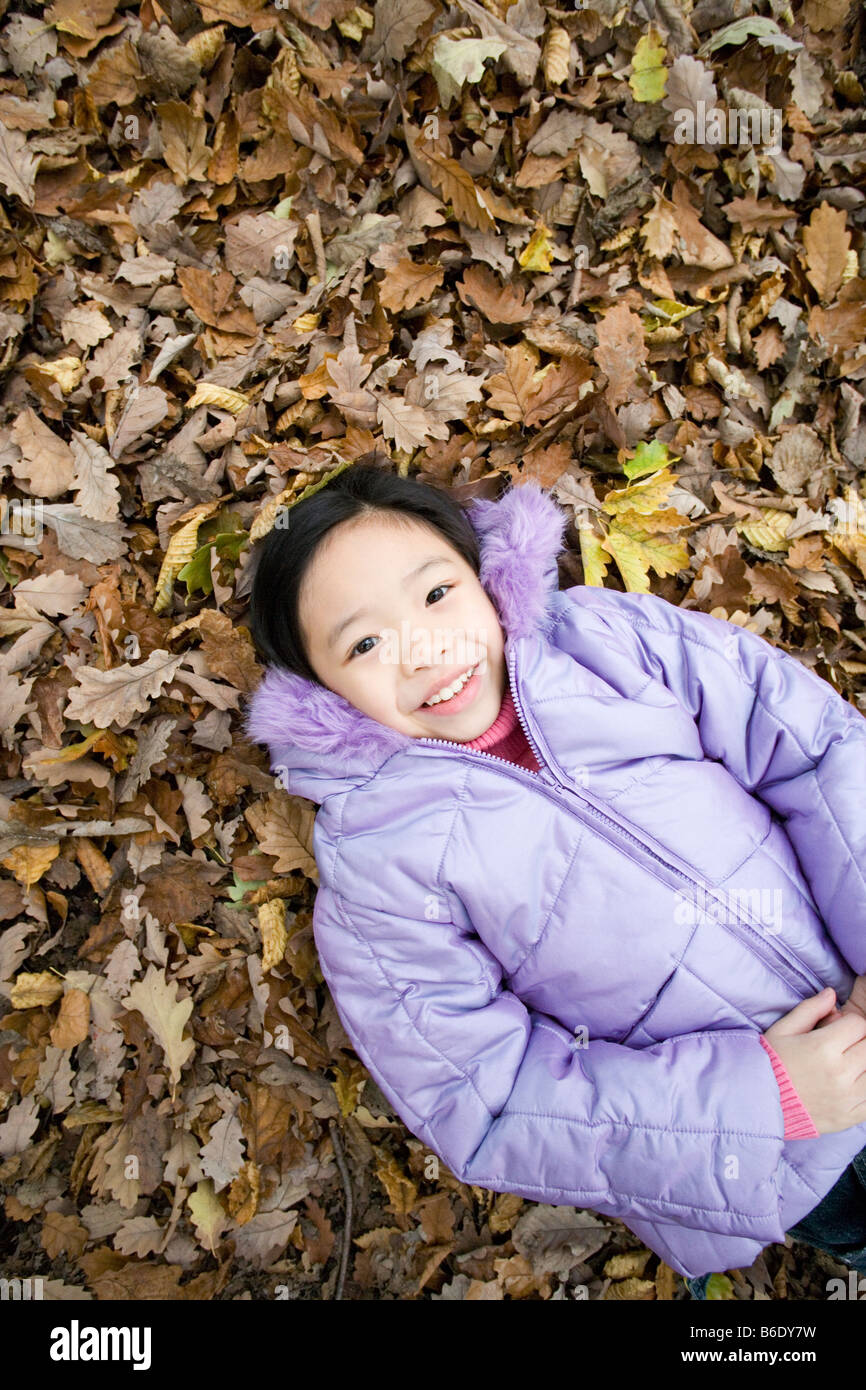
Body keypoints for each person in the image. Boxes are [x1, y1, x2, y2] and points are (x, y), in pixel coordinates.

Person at [243, 463, 866, 1292]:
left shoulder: (611, 641)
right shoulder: (377, 864)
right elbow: (490, 1100)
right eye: (364, 644)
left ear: (483, 576)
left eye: (436, 596)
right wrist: (766, 1105)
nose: (425, 650)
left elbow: (814, 748)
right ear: (322, 691)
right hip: (781, 1148)